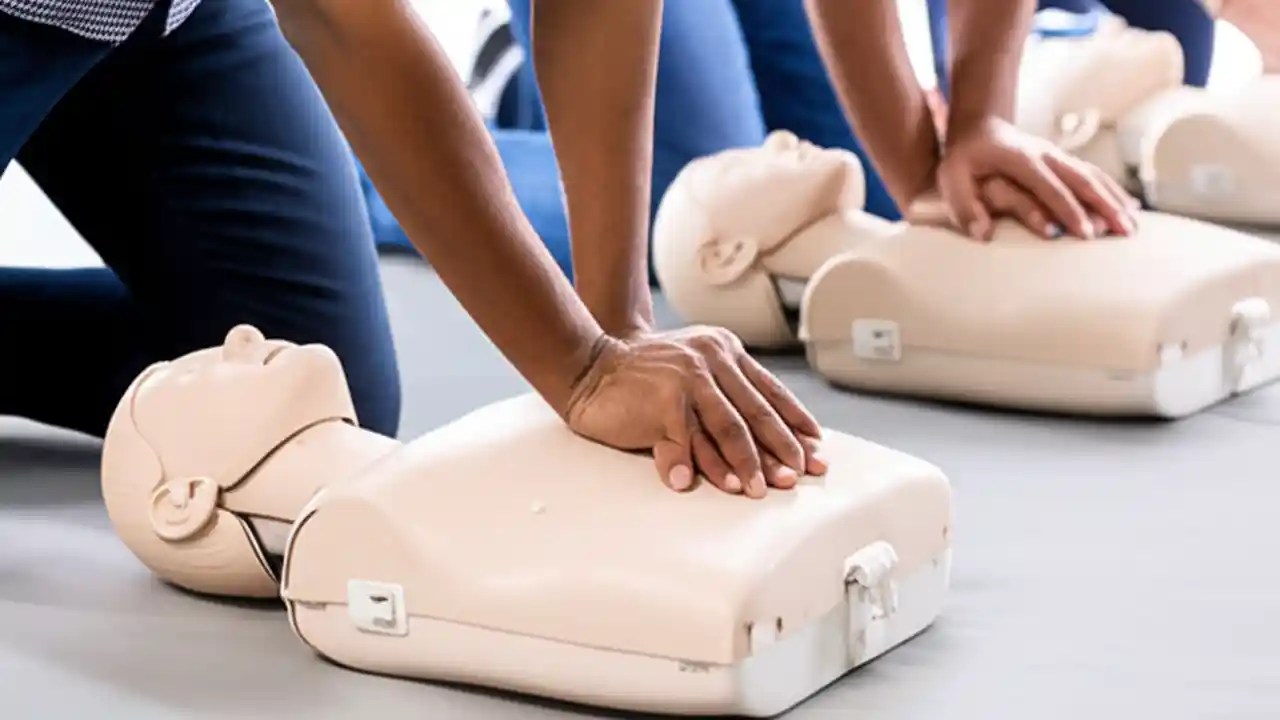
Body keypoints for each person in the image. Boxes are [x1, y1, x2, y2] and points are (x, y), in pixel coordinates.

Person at [0, 0, 1132, 499]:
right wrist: (576, 368)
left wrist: (619, 323)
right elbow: (344, 16)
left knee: (307, 384)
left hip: (162, 15)